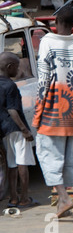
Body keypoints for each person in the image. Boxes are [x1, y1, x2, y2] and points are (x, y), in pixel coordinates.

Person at [33, 7, 73, 218]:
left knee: (48, 153)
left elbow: (43, 80)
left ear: (55, 21)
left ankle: (64, 197)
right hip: (72, 109)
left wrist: (39, 110)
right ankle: (62, 201)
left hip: (51, 109)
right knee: (66, 155)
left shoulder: (47, 42)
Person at [0, 52, 38, 209]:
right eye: (16, 66)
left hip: (5, 130)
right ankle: (24, 198)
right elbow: (12, 110)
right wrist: (25, 130)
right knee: (23, 163)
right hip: (17, 129)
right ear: (9, 67)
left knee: (12, 163)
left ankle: (14, 198)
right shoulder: (10, 86)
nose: (19, 70)